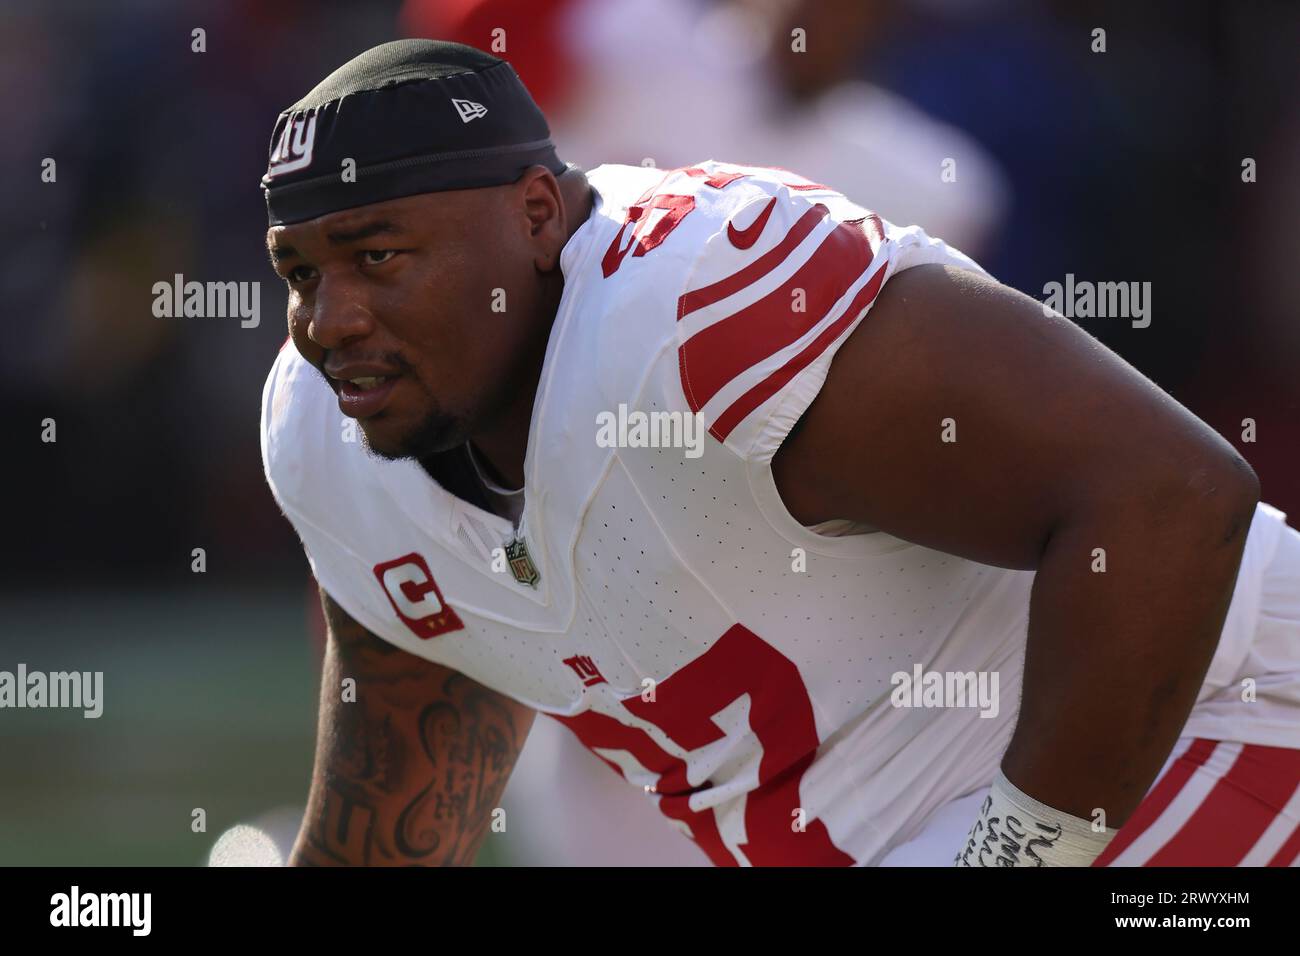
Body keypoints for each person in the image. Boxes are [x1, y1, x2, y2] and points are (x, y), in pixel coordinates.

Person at [259, 39, 1300, 866]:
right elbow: (391, 818)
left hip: (1213, 722)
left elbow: (1168, 495)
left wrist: (1018, 855)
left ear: (536, 215)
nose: (330, 318)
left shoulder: (696, 307)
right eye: (300, 271)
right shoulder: (331, 436)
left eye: (379, 255)